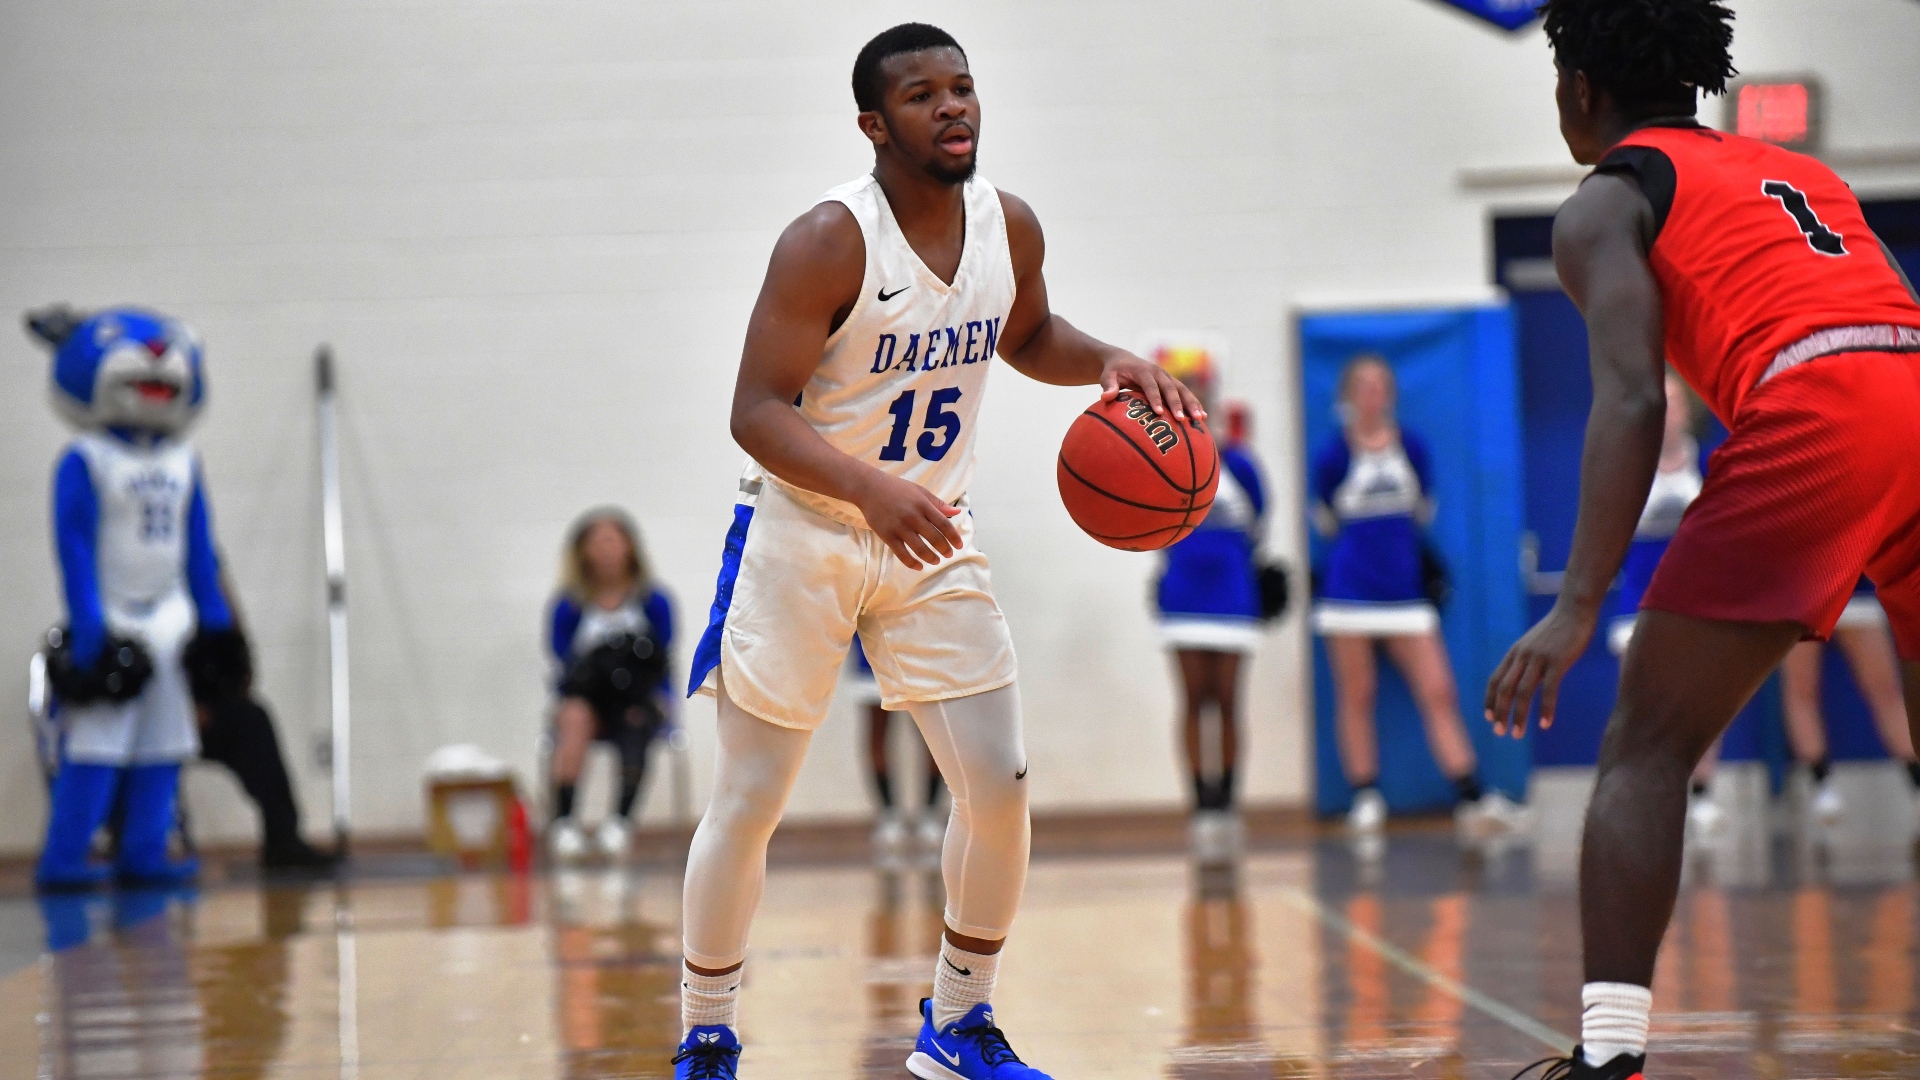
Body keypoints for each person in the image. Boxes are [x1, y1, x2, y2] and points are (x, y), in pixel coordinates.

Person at [672, 23, 1204, 1080]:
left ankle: (957, 1024)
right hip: (807, 530)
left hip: (931, 536)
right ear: (875, 124)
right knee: (752, 799)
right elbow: (755, 408)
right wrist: (867, 485)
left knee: (999, 790)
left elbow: (1029, 335)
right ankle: (707, 1033)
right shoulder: (828, 240)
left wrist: (1109, 361)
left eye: (962, 87)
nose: (953, 106)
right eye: (922, 95)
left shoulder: (1010, 225)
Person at [1485, 2, 1920, 1077]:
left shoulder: (1606, 202)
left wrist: (1579, 603)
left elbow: (1632, 399)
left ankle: (1610, 1056)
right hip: (1911, 381)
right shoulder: (1804, 174)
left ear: (1581, 90)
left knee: (1647, 745)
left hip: (1820, 407)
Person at [28, 305, 243, 891]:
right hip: (115, 615)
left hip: (171, 617)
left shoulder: (184, 461)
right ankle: (65, 858)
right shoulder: (86, 460)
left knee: (167, 743)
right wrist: (89, 626)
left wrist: (215, 625)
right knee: (97, 745)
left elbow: (200, 548)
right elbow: (72, 546)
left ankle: (145, 853)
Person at [1310, 355, 1519, 838]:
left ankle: (1472, 797)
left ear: (1391, 394)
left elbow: (1424, 512)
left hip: (1405, 591)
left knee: (1438, 691)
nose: (1372, 394)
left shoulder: (1414, 448)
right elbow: (1326, 521)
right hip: (1349, 593)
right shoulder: (1332, 455)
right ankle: (1365, 797)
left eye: (1380, 385)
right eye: (1362, 385)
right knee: (1356, 694)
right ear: (1346, 395)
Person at [1152, 348, 1267, 860]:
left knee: (1228, 699)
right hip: (1182, 594)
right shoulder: (1160, 459)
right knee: (1193, 699)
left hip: (1233, 595)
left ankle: (1228, 804)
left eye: (1200, 385)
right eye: (1183, 385)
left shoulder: (1241, 462)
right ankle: (1200, 806)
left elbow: (1259, 526)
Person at [1605, 372, 1723, 835]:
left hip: (1698, 604)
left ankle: (1702, 795)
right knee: (1637, 707)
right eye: (1663, 402)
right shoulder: (1629, 465)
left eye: (1677, 402)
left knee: (1703, 703)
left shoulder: (1710, 463)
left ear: (1689, 410)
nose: (1669, 412)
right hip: (1639, 604)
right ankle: (1633, 797)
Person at [545, 508, 675, 863]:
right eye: (597, 541)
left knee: (636, 721)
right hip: (587, 696)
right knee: (573, 718)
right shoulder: (570, 604)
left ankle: (619, 822)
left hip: (634, 697)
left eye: (613, 540)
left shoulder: (652, 601)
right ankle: (565, 822)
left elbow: (665, 655)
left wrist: (664, 698)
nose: (606, 549)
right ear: (582, 551)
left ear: (630, 547)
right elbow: (560, 658)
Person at [1779, 580, 1920, 825]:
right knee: (1802, 692)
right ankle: (1823, 788)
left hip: (1839, 595)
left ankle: (1824, 789)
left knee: (1885, 694)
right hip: (1807, 596)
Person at [850, 637, 947, 857]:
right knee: (877, 731)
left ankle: (930, 814)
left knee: (932, 733)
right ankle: (888, 815)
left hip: (919, 652)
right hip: (871, 652)